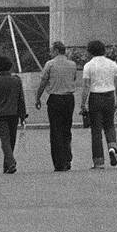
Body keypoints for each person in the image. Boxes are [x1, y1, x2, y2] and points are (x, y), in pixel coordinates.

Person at [79, 40, 117, 169]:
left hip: (95, 97)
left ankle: (98, 161)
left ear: (90, 52)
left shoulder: (88, 66)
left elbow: (86, 86)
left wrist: (83, 103)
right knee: (109, 125)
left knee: (96, 130)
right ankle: (112, 147)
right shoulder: (112, 64)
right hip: (109, 96)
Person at [34, 41, 78, 171]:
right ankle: (68, 158)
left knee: (56, 130)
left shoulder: (50, 64)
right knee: (66, 129)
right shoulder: (72, 64)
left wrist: (38, 97)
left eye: (52, 50)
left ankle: (59, 162)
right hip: (69, 98)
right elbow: (73, 79)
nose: (50, 53)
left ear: (57, 51)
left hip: (55, 99)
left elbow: (43, 82)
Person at [0, 56, 28, 174]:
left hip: (1, 114)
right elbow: (21, 99)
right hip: (14, 113)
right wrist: (23, 115)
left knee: (5, 139)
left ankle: (10, 163)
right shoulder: (16, 80)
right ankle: (7, 165)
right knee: (12, 139)